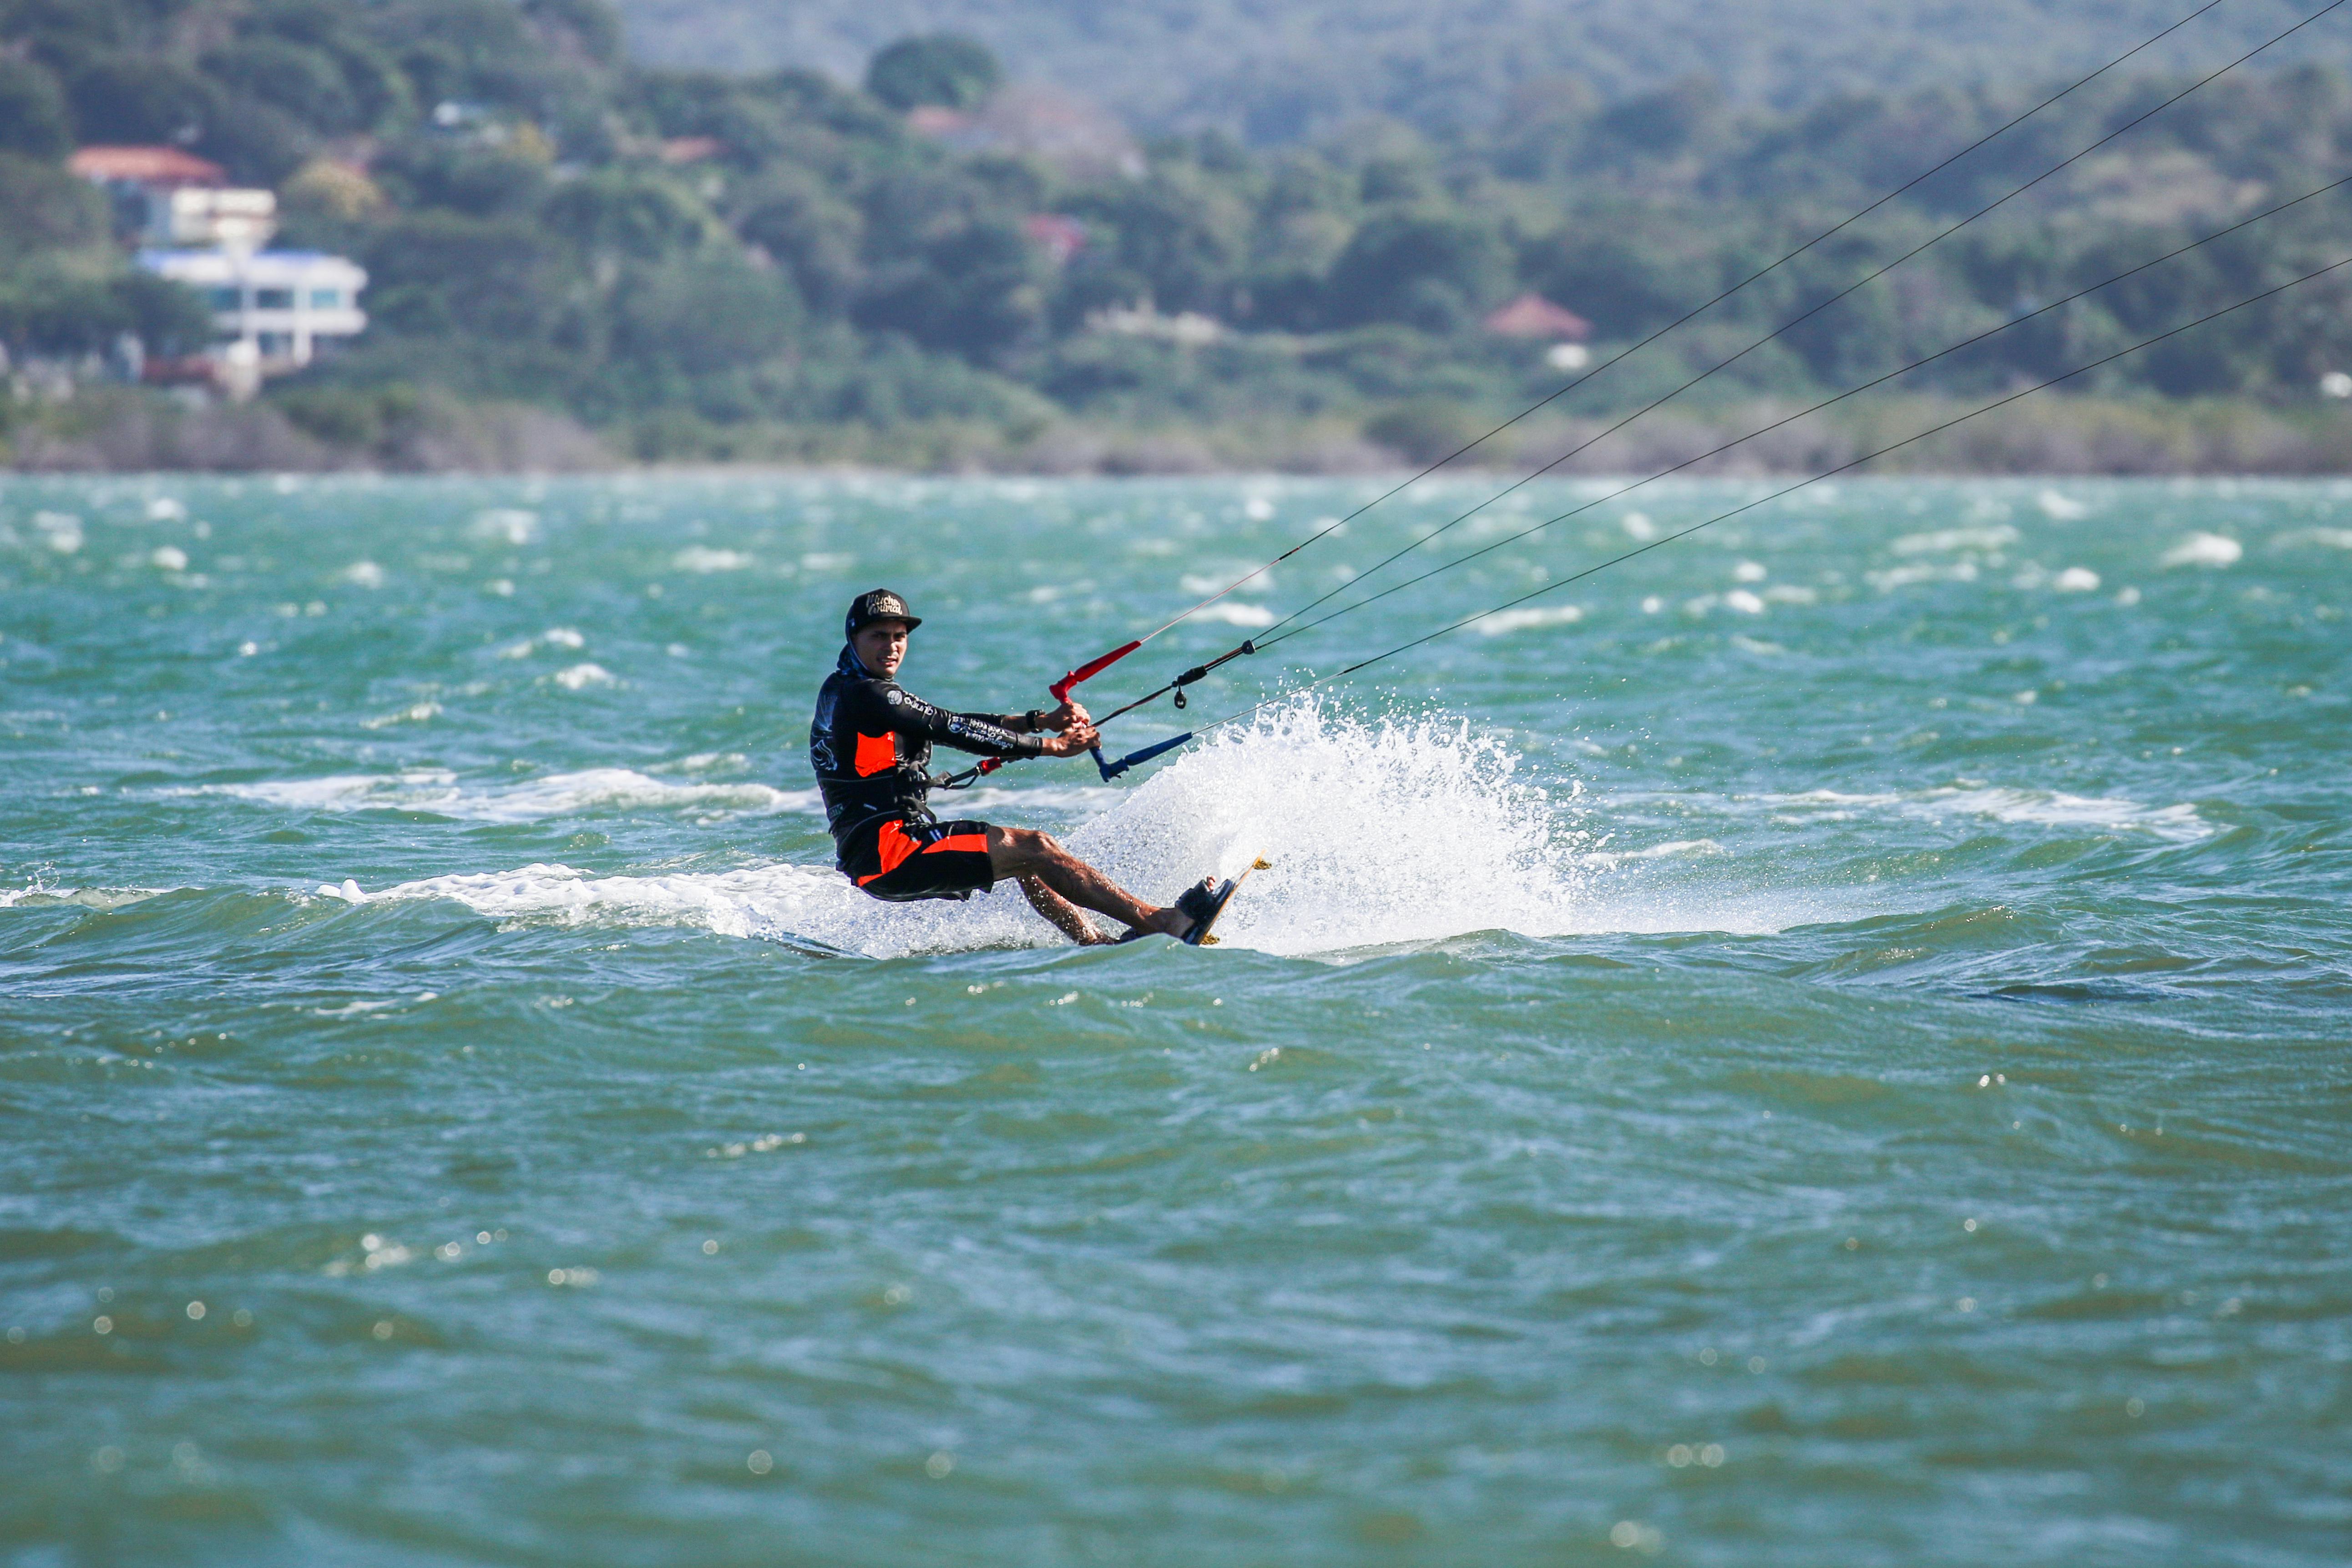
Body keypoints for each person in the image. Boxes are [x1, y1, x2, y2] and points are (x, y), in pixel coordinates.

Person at [810, 589, 1210, 944]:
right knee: (1036, 847)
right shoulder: (868, 695)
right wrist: (1052, 746)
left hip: (878, 853)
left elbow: (944, 720)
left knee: (1025, 860)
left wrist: (1040, 722)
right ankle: (1159, 923)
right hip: (891, 851)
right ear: (854, 638)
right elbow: (950, 727)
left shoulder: (845, 688)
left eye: (899, 637)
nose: (892, 646)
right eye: (878, 636)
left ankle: (1095, 944)